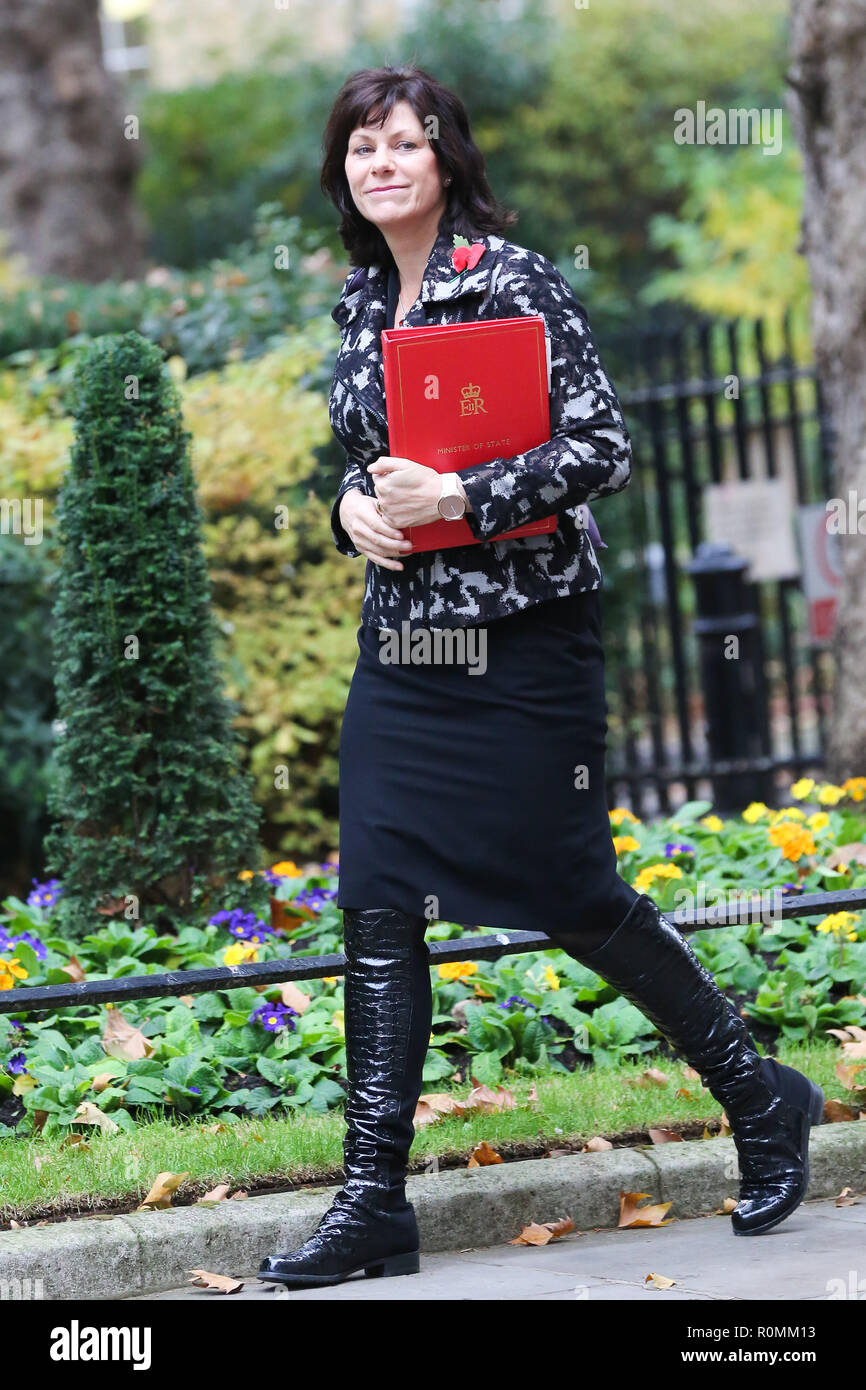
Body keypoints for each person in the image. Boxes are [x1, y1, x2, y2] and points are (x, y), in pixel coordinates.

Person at [257, 64, 824, 1291]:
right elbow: (354, 461)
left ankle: (757, 1093)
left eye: (405, 143)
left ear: (446, 159)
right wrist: (350, 506)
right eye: (363, 149)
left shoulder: (508, 277)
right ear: (343, 174)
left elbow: (602, 445)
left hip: (523, 640)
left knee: (567, 889)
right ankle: (371, 1202)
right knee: (377, 896)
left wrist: (464, 494)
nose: (383, 163)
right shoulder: (362, 299)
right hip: (405, 645)